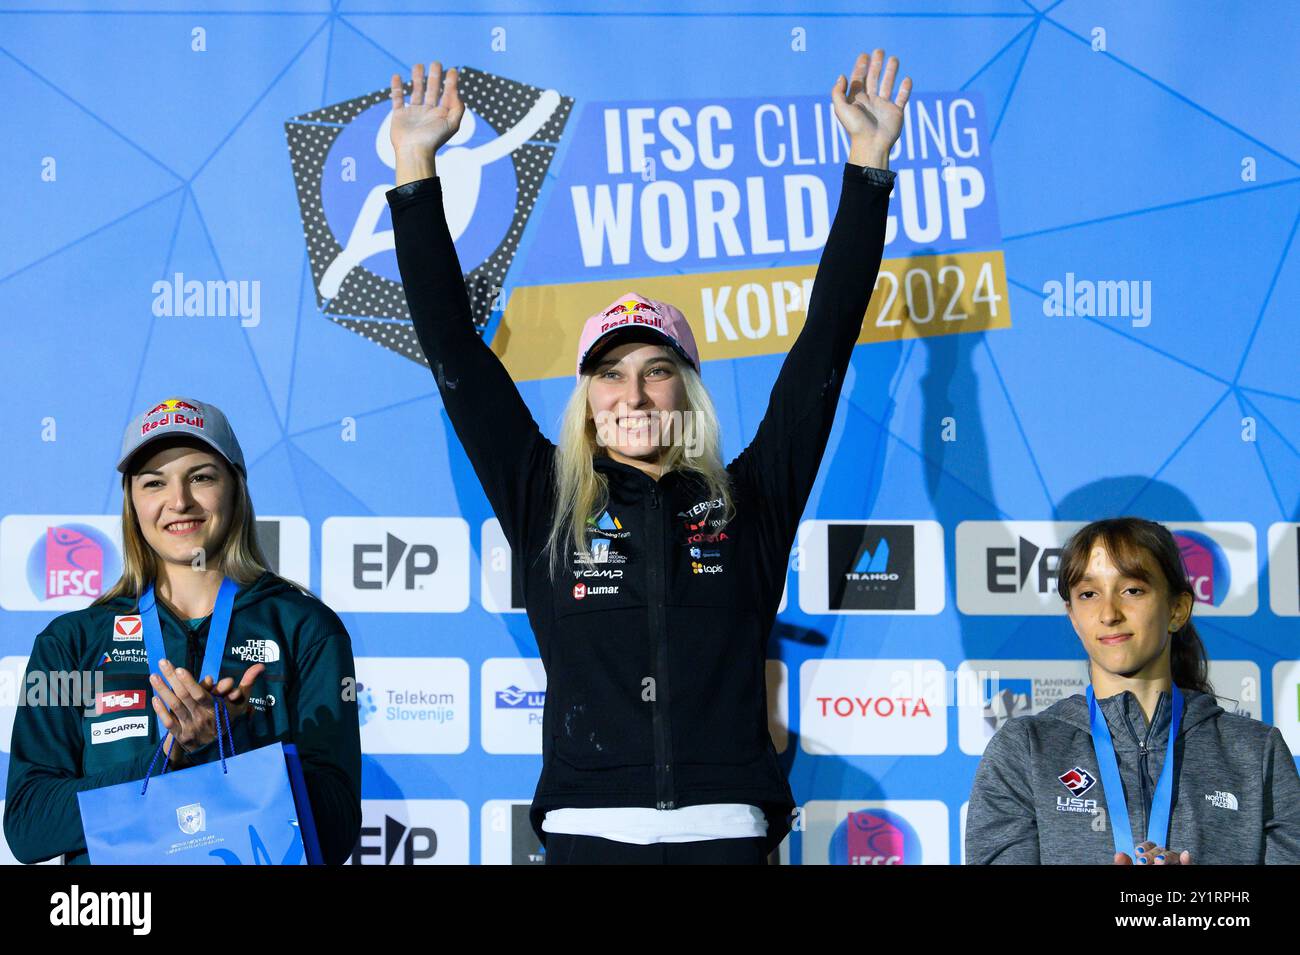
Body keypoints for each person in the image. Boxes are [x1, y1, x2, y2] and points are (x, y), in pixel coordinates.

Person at [386, 50, 910, 864]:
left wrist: (868, 167)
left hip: (728, 834)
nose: (632, 394)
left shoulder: (750, 502)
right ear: (588, 400)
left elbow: (824, 349)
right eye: (609, 374)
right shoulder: (545, 503)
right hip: (591, 837)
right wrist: (416, 168)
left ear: (686, 393)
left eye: (656, 370)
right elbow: (454, 350)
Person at [3, 397, 362, 865]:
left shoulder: (304, 627)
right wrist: (167, 759)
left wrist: (233, 744)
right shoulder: (70, 643)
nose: (179, 501)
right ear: (132, 501)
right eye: (154, 482)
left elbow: (334, 829)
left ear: (236, 486)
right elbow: (29, 827)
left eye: (201, 477)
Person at [966, 517, 1300, 865]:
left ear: (1177, 609)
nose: (1109, 613)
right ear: (1073, 617)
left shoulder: (1255, 751)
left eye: (1132, 590)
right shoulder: (1026, 749)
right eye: (1089, 594)